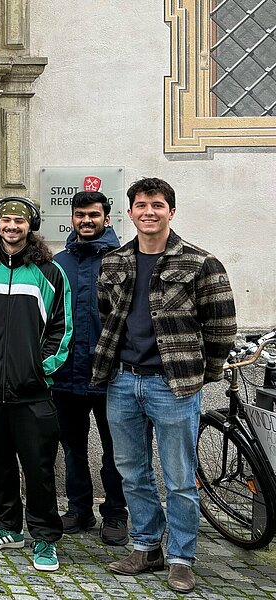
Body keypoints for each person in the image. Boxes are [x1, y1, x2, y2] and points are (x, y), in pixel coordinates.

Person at [95, 178, 236, 594]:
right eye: (141, 205)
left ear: (171, 211)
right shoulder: (115, 261)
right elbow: (108, 316)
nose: (148, 212)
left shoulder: (200, 263)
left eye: (157, 205)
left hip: (173, 387)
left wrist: (200, 374)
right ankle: (146, 546)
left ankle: (180, 557)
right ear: (131, 212)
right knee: (132, 473)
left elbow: (221, 326)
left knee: (178, 477)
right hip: (123, 382)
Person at [0, 197, 72, 573]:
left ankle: (44, 537)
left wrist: (42, 368)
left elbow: (62, 327)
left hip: (32, 390)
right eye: (6, 220)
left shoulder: (50, 273)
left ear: (30, 227)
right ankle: (8, 526)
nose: (12, 226)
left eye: (19, 222)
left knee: (38, 467)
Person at [51, 191, 128, 546]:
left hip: (110, 375)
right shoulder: (59, 263)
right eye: (80, 215)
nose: (86, 221)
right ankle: (79, 509)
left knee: (116, 451)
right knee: (72, 447)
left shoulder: (124, 260)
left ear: (106, 219)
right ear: (71, 218)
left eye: (93, 215)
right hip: (66, 374)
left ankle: (115, 513)